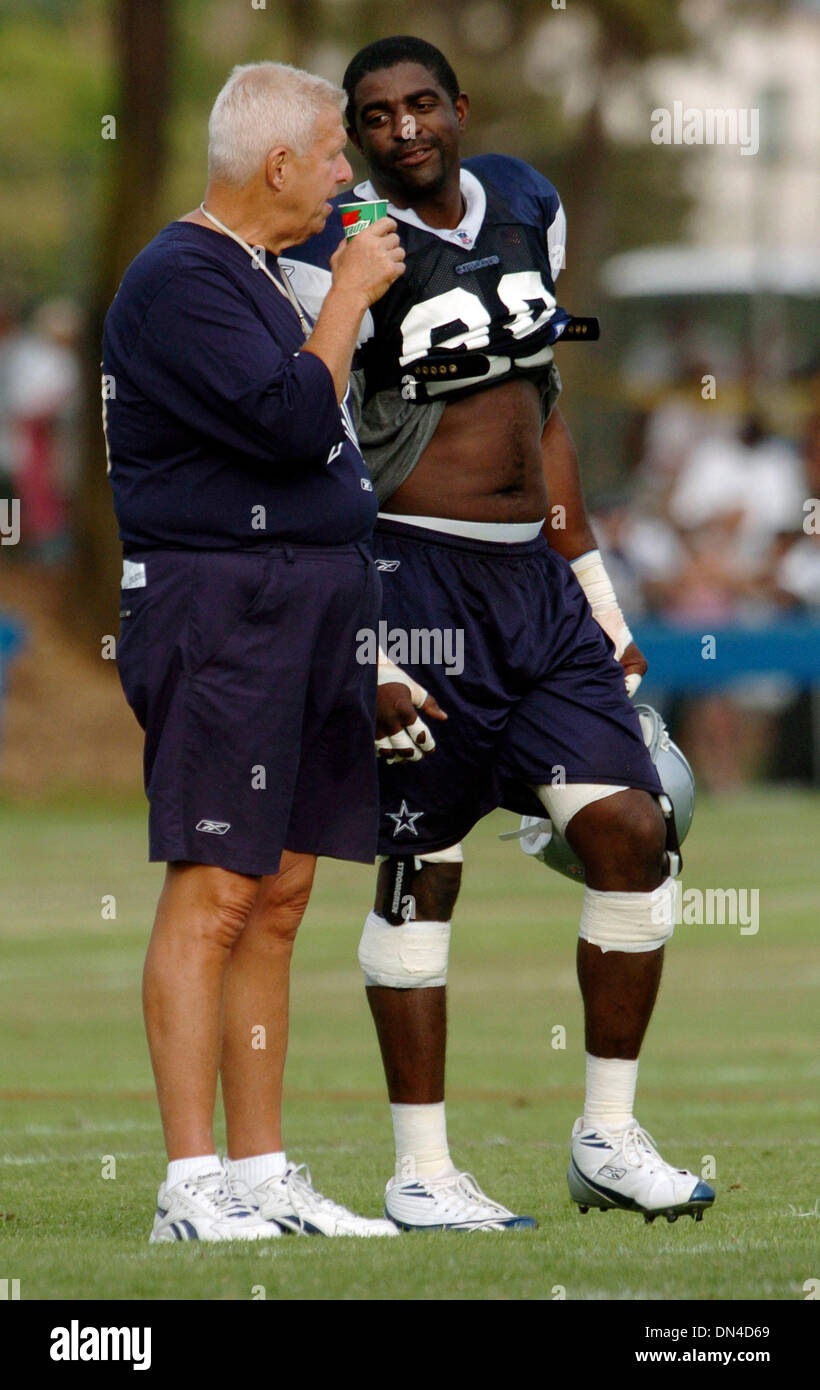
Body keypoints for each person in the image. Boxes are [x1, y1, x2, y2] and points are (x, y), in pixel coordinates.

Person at [284, 36, 715, 1231]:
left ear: (459, 108)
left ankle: (609, 1137)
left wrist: (600, 594)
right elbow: (309, 436)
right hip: (412, 583)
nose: (405, 128)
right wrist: (357, 637)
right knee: (426, 870)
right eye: (377, 116)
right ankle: (420, 1169)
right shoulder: (341, 250)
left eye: (422, 104)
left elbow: (543, 411)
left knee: (636, 832)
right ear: (355, 135)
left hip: (533, 583)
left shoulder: (528, 202)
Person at [103, 61, 408, 1241]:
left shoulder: (250, 274)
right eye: (336, 152)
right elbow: (288, 426)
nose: (349, 173)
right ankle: (191, 1182)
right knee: (218, 885)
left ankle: (264, 1169)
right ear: (280, 165)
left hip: (307, 602)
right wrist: (343, 297)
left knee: (278, 896)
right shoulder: (181, 275)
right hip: (224, 608)